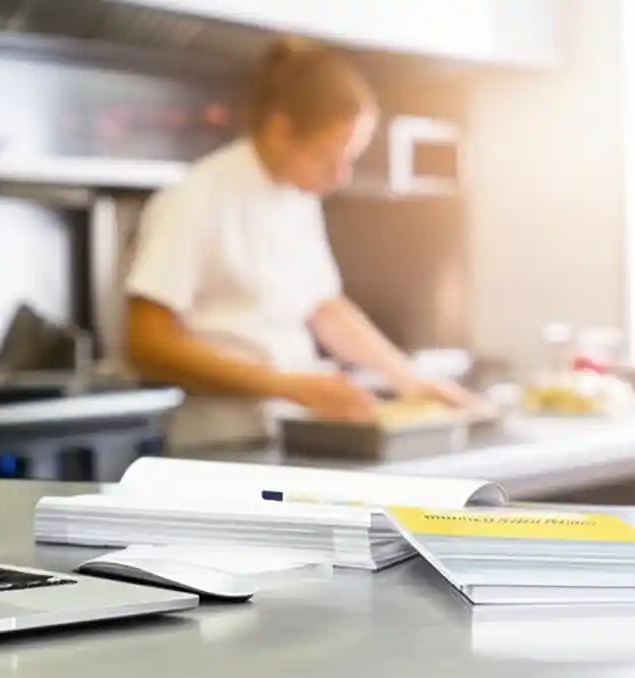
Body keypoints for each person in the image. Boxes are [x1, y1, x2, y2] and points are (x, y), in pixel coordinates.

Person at [125, 37, 480, 448]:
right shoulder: (196, 198)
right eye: (329, 158)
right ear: (280, 130)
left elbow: (324, 307)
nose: (341, 176)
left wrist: (410, 380)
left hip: (288, 433)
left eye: (349, 159)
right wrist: (290, 386)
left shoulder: (296, 198)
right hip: (218, 443)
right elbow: (147, 344)